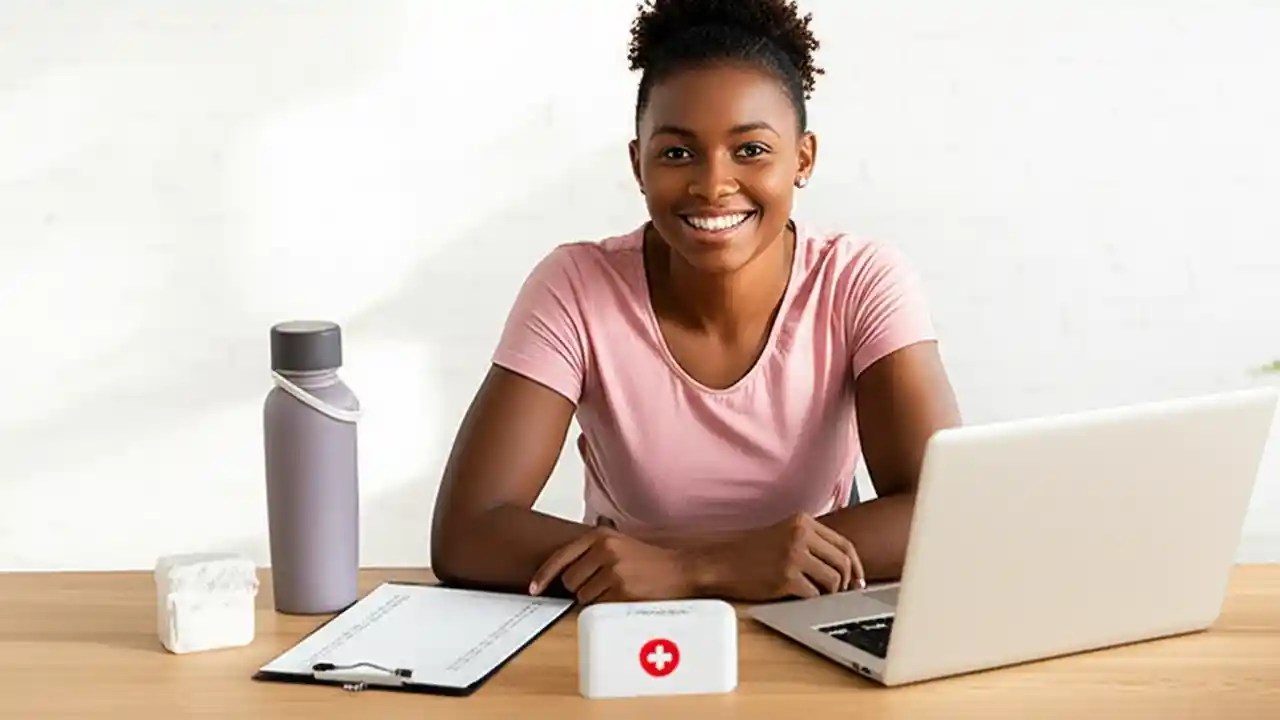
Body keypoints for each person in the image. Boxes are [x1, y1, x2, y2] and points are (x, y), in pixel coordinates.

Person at [430, 0, 961, 605]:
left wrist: (694, 569)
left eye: (751, 150)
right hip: (634, 625)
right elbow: (467, 529)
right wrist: (707, 571)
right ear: (639, 164)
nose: (712, 185)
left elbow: (945, 511)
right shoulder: (575, 286)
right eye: (677, 153)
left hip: (806, 613)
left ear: (803, 159)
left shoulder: (859, 281)